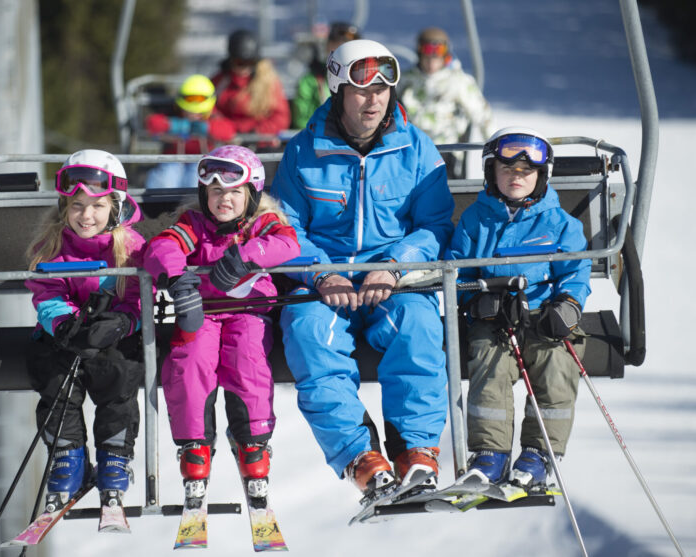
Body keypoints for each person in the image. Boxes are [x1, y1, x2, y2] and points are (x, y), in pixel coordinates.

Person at [270, 39, 456, 502]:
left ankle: (417, 453)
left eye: (382, 89)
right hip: (324, 287)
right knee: (311, 335)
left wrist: (395, 267)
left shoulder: (415, 149)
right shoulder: (304, 152)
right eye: (361, 90)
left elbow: (434, 226)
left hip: (391, 284)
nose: (373, 100)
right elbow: (284, 229)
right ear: (338, 90)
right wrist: (319, 272)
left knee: (417, 327)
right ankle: (361, 459)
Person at [143, 145, 300, 502]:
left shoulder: (262, 223)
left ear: (251, 194)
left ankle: (253, 442)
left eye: (233, 192)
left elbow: (287, 246)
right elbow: (159, 248)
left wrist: (246, 257)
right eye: (215, 192)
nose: (223, 199)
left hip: (249, 313)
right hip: (202, 311)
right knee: (190, 360)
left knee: (248, 359)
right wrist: (177, 278)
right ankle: (195, 446)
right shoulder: (194, 224)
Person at [446, 127, 591, 489]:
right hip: (495, 321)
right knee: (489, 368)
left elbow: (575, 272)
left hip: (546, 320)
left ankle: (540, 452)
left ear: (542, 176)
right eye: (507, 170)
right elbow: (457, 271)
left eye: (526, 172)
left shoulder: (560, 223)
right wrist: (478, 301)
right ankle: (490, 454)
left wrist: (568, 307)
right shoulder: (476, 220)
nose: (516, 177)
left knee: (558, 368)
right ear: (491, 172)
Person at [24, 149, 146, 512]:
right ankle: (68, 457)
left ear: (115, 207)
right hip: (66, 333)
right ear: (65, 207)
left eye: (96, 206)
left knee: (119, 375)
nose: (86, 216)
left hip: (114, 335)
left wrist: (124, 321)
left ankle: (114, 458)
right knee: (51, 375)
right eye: (76, 205)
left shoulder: (131, 248)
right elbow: (46, 292)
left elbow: (142, 294)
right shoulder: (51, 245)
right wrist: (64, 323)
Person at [399, 26, 494, 179]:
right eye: (427, 58)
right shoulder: (406, 80)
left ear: (445, 57)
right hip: (411, 149)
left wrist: (495, 152)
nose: (431, 64)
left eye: (436, 58)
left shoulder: (458, 82)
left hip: (446, 150)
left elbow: (483, 116)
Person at [144, 74, 236, 189]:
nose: (193, 114)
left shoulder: (214, 116)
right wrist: (172, 124)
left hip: (202, 160)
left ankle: (195, 205)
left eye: (198, 112)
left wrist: (206, 128)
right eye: (190, 102)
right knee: (166, 180)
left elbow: (228, 131)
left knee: (196, 180)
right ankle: (162, 205)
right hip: (173, 160)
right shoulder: (173, 112)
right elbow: (152, 123)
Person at [211, 29, 291, 147]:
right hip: (227, 143)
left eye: (250, 62)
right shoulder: (220, 82)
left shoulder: (267, 82)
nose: (244, 68)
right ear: (231, 60)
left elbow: (280, 117)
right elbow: (210, 111)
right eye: (239, 62)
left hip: (260, 144)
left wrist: (256, 135)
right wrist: (227, 131)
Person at [291, 21, 361, 129]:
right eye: (337, 48)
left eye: (349, 48)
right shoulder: (311, 81)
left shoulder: (368, 80)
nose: (343, 55)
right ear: (328, 48)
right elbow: (302, 120)